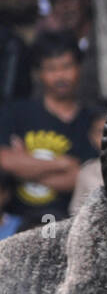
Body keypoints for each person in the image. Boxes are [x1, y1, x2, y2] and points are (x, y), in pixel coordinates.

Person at [0, 33, 99, 232]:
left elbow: (78, 178)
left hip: (64, 223)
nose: (60, 76)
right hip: (14, 221)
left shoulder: (89, 121)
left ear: (79, 68)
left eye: (66, 66)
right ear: (38, 73)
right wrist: (62, 163)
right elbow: (4, 159)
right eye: (51, 69)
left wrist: (25, 165)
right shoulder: (18, 112)